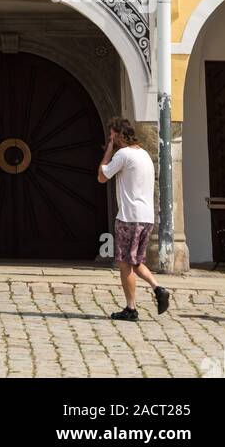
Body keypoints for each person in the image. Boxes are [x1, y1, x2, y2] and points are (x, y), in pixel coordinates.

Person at [98, 117, 170, 321]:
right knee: (136, 261)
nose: (110, 139)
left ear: (119, 136)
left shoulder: (122, 154)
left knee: (124, 264)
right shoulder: (144, 154)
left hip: (129, 217)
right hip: (146, 217)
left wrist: (109, 151)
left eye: (112, 135)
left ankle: (131, 308)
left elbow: (102, 176)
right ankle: (158, 289)